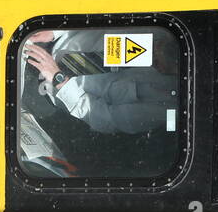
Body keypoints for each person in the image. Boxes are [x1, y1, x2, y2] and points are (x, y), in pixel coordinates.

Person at [22, 28, 178, 136]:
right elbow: (103, 18)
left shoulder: (167, 106)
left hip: (46, 95)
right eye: (157, 47)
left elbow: (106, 119)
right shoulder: (166, 28)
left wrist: (59, 79)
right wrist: (56, 31)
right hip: (50, 41)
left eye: (158, 63)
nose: (153, 57)